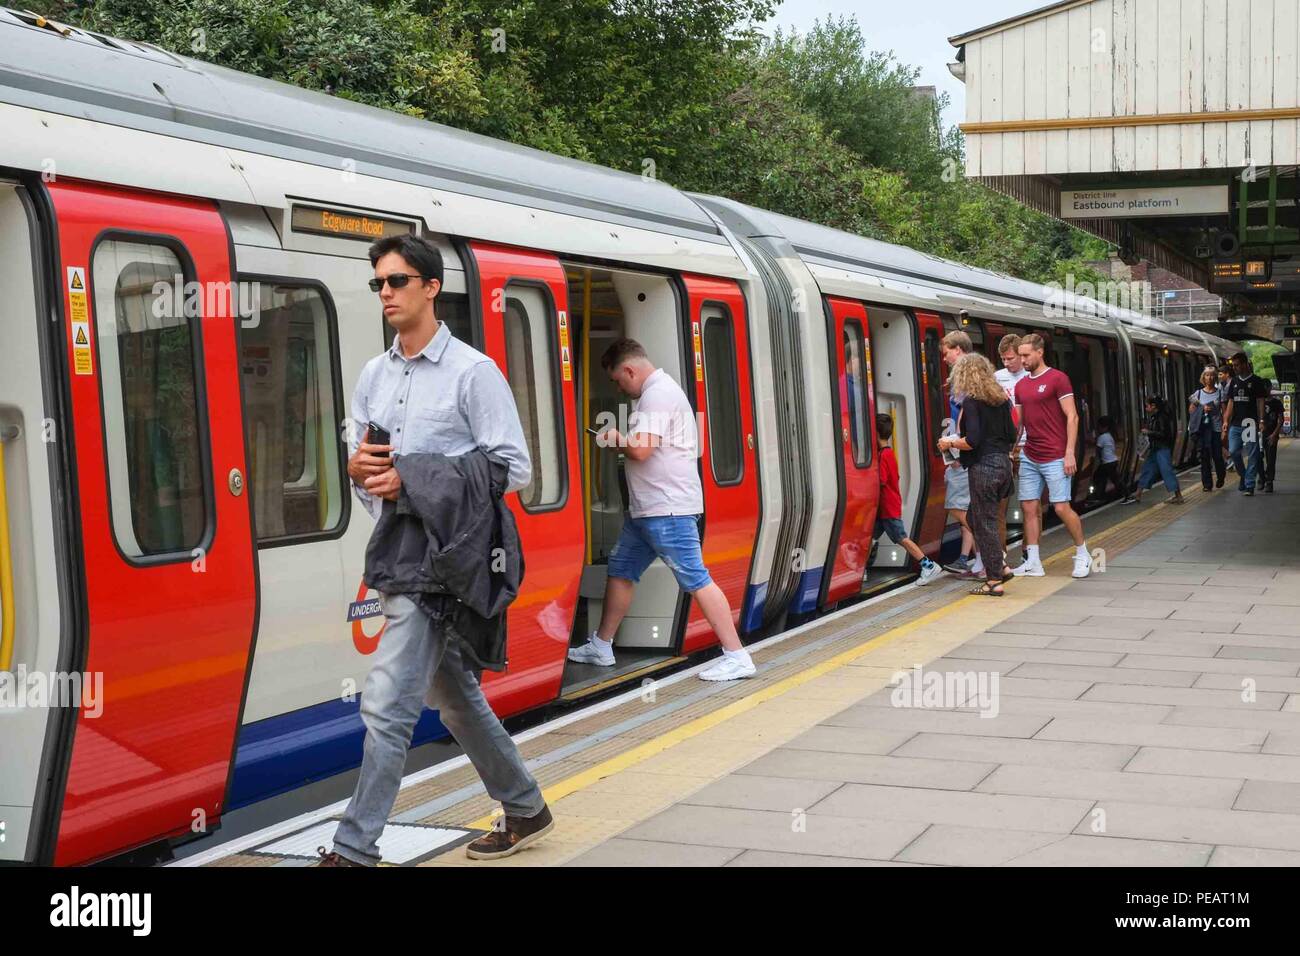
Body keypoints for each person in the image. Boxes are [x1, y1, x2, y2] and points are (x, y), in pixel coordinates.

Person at [320, 234, 552, 866]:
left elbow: (515, 467)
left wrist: (415, 475)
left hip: (446, 560)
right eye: (378, 284)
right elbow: (370, 466)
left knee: (388, 706)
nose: (386, 294)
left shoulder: (473, 372)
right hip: (399, 550)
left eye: (396, 281)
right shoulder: (374, 374)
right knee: (453, 696)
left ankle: (353, 849)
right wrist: (359, 469)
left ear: (430, 287)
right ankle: (525, 805)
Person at [568, 338, 756, 682]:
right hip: (646, 511)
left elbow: (641, 450)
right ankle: (602, 644)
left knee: (696, 579)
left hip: (668, 509)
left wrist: (613, 438)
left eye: (618, 380)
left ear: (629, 369)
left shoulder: (657, 394)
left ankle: (737, 654)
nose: (620, 388)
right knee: (621, 570)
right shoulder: (657, 393)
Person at [1010, 333, 1091, 578]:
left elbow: (1072, 416)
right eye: (1020, 355)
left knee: (1060, 507)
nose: (1022, 360)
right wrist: (1013, 449)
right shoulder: (1021, 386)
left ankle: (1083, 554)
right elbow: (1020, 424)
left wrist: (1069, 453)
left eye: (1026, 355)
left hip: (1056, 454)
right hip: (1030, 455)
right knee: (1028, 507)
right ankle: (1033, 561)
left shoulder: (1058, 379)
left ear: (1039, 352)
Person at [937, 354, 1017, 596]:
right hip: (1003, 465)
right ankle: (1000, 566)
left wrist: (948, 443)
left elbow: (972, 440)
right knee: (975, 517)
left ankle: (994, 581)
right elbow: (1012, 435)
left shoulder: (972, 402)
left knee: (985, 522)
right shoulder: (1001, 399)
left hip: (983, 467)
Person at [875, 413, 943, 586]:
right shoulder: (888, 453)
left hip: (887, 508)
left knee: (901, 538)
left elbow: (880, 481)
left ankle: (928, 565)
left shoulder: (883, 456)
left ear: (874, 433)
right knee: (869, 538)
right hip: (886, 507)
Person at [939, 330, 978, 577]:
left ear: (958, 350)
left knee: (957, 506)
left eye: (946, 353)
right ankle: (967, 558)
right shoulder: (976, 376)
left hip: (961, 451)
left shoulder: (966, 381)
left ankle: (990, 556)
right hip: (962, 448)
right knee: (965, 505)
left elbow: (965, 418)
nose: (944, 359)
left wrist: (954, 447)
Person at [993, 333, 1028, 557]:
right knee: (999, 507)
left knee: (1029, 505)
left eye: (1011, 358)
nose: (1007, 363)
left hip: (1028, 446)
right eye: (1003, 359)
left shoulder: (1031, 376)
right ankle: (1001, 556)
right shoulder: (997, 378)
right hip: (1005, 448)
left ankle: (1028, 552)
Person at [1222, 351, 1269, 496]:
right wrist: (1226, 421)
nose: (1234, 368)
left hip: (1249, 422)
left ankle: (1249, 485)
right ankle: (1243, 475)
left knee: (1252, 453)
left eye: (1237, 365)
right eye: (1233, 365)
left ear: (1244, 364)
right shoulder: (1234, 382)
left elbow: (1260, 402)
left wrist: (1261, 420)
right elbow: (1231, 402)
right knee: (1234, 452)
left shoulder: (1256, 381)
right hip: (1235, 423)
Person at [1122, 396, 1183, 505]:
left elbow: (1164, 434)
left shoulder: (1161, 417)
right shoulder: (1155, 417)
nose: (1146, 408)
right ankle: (1138, 493)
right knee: (1147, 469)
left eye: (1147, 406)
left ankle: (1178, 496)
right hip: (1155, 448)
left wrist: (1149, 432)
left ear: (1153, 406)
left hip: (1162, 448)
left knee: (1167, 471)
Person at [1188, 367, 1226, 491]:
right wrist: (1201, 408)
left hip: (1216, 428)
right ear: (1203, 378)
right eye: (1207, 375)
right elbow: (1191, 410)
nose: (1209, 378)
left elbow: (1225, 411)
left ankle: (1221, 476)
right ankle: (1207, 484)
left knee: (1217, 456)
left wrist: (1225, 427)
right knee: (1204, 457)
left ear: (1215, 377)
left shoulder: (1220, 393)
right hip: (1202, 429)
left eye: (1211, 375)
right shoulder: (1198, 394)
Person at [1089, 416, 1122, 501]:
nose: (1098, 429)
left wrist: (1095, 463)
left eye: (1099, 427)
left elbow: (1098, 451)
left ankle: (1099, 495)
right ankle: (1123, 494)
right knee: (1111, 478)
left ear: (1105, 427)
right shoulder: (1110, 436)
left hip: (1107, 463)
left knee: (1098, 477)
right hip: (1113, 461)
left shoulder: (1102, 438)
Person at [1261, 393, 1284, 492]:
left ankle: (1269, 482)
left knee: (1270, 459)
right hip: (1259, 434)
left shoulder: (1276, 402)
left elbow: (1281, 420)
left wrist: (1274, 434)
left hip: (1272, 434)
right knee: (1257, 458)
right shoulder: (1258, 401)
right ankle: (1262, 478)